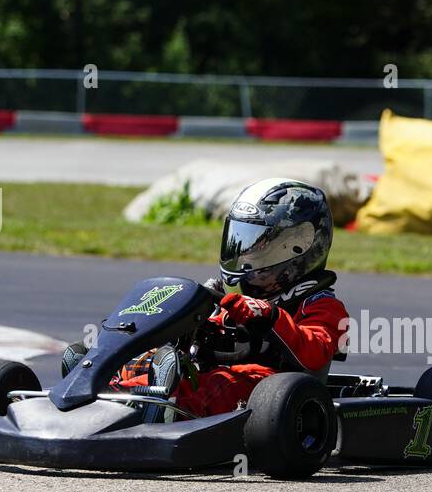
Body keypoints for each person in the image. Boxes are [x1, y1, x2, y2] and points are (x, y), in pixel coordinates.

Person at [66, 178, 349, 417]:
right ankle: (95, 389)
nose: (244, 257)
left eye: (258, 248)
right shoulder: (234, 298)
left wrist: (270, 317)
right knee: (155, 362)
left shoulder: (322, 304)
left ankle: (151, 409)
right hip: (208, 373)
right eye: (241, 242)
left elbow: (313, 353)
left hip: (272, 392)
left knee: (217, 385)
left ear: (298, 247)